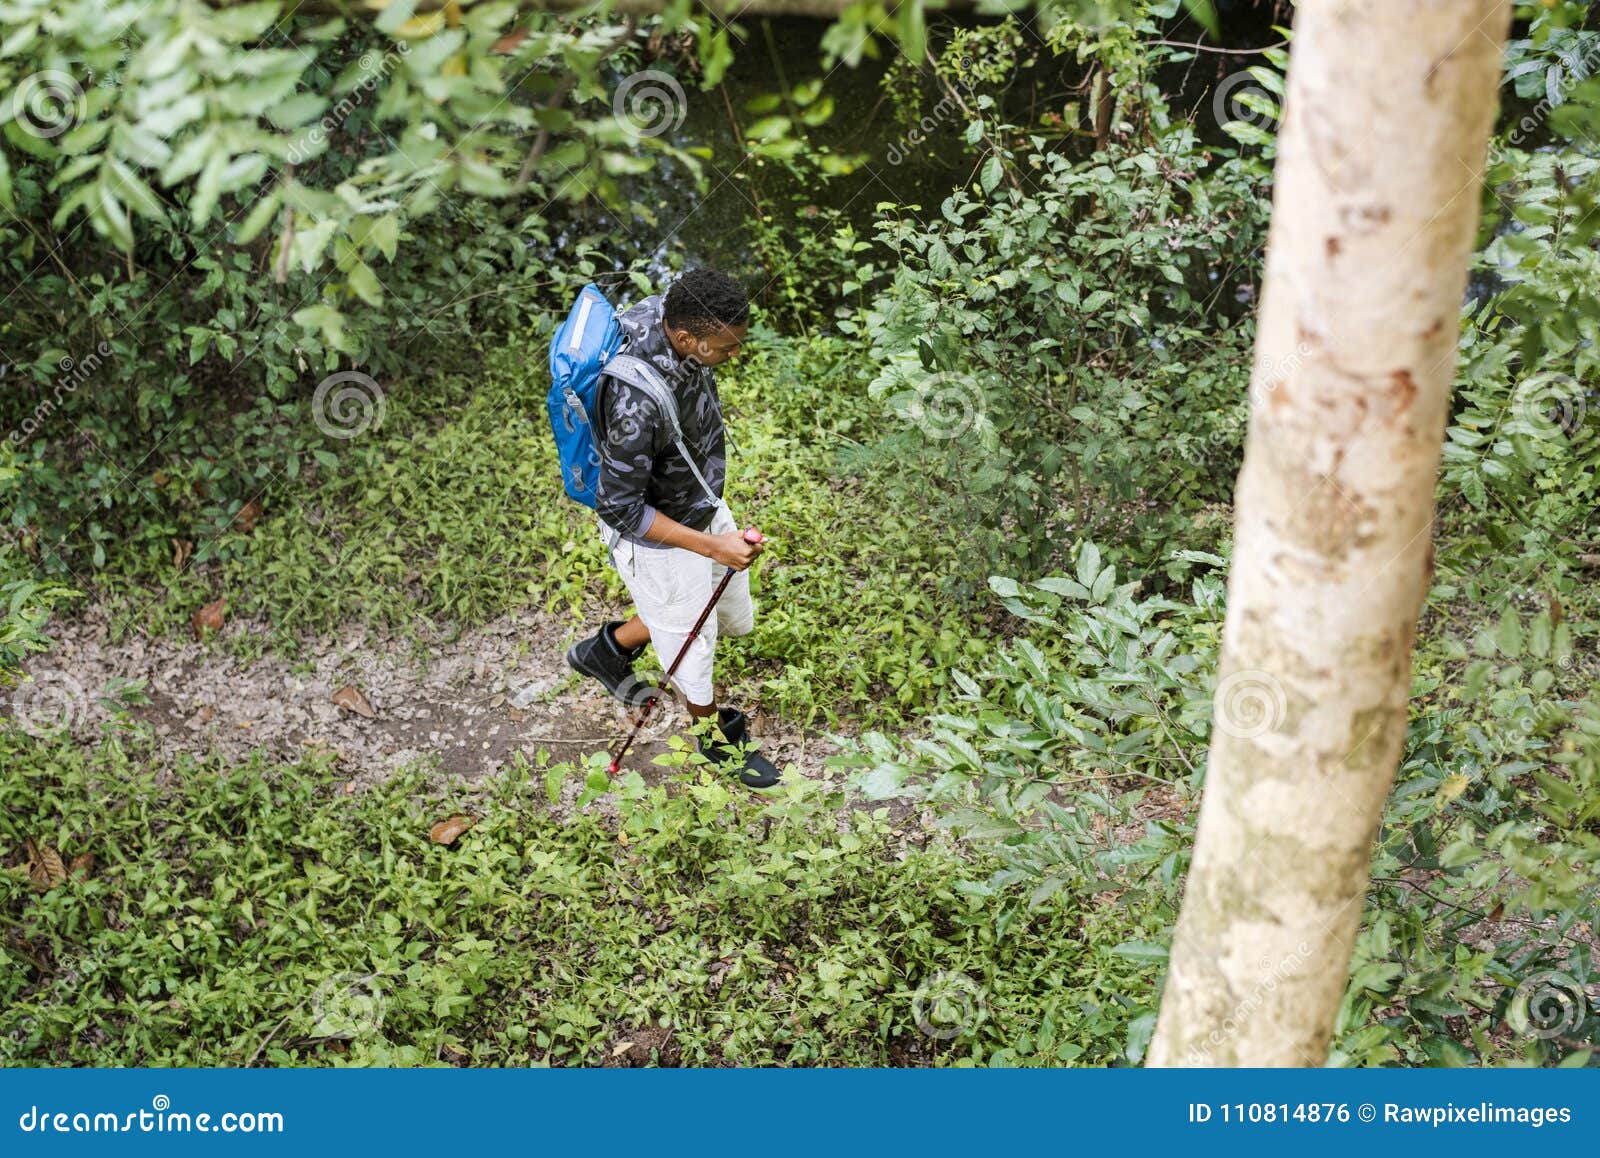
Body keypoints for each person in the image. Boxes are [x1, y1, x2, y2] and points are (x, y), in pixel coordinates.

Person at [565, 269, 781, 788]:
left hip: (699, 503)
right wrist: (711, 546)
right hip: (659, 536)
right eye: (725, 349)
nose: (734, 357)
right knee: (693, 642)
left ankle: (607, 649)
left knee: (721, 611)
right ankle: (714, 739)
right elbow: (618, 508)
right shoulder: (634, 406)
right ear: (685, 339)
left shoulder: (677, 313)